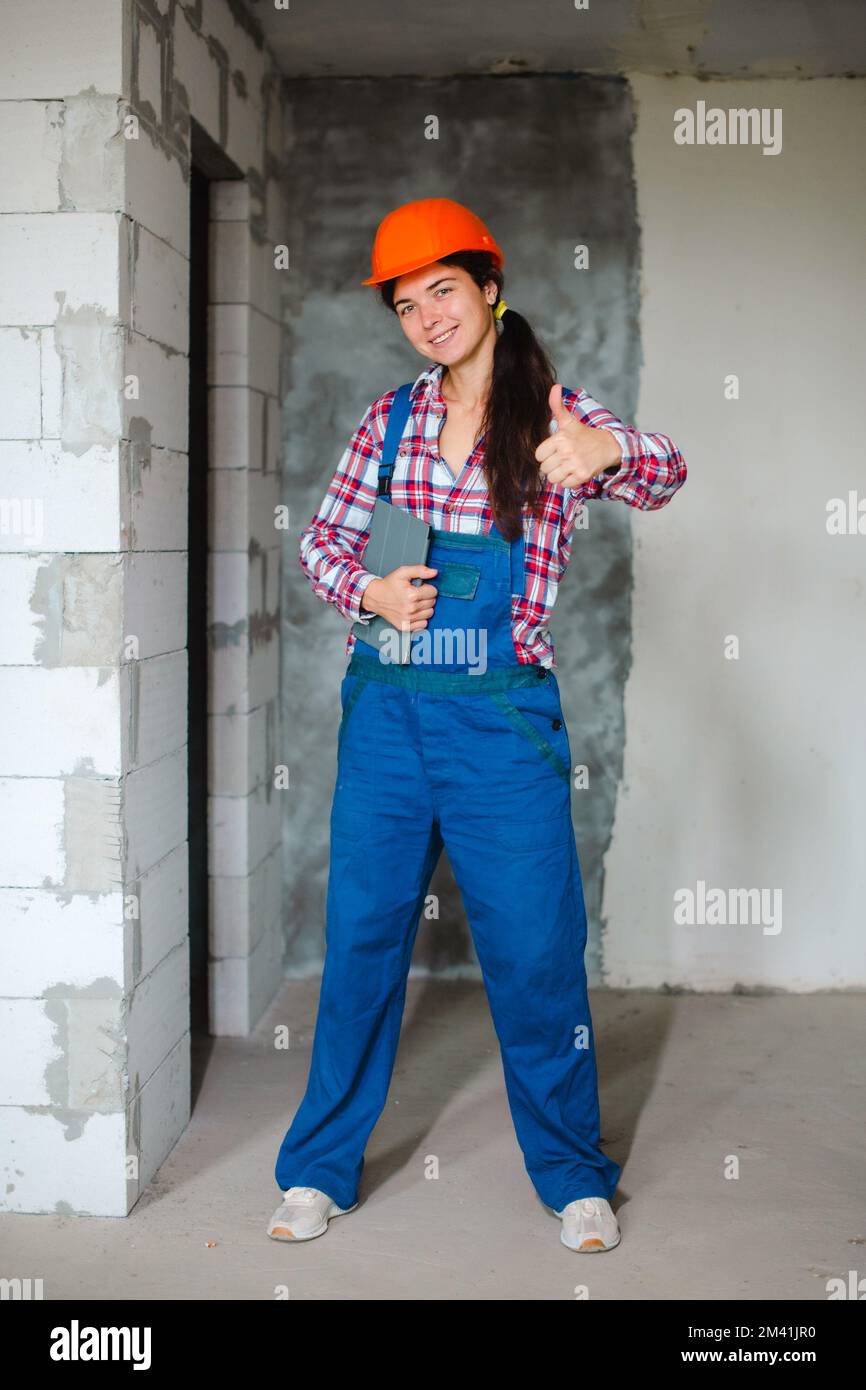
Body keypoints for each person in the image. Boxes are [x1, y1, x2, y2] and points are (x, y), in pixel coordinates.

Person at [269, 197, 687, 1254]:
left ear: (488, 286)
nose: (426, 315)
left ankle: (572, 1173)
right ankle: (317, 1168)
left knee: (534, 946)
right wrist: (368, 593)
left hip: (501, 720)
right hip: (391, 715)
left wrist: (603, 450)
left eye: (441, 290)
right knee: (361, 937)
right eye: (406, 303)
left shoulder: (553, 412)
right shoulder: (388, 419)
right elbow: (319, 544)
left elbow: (666, 472)